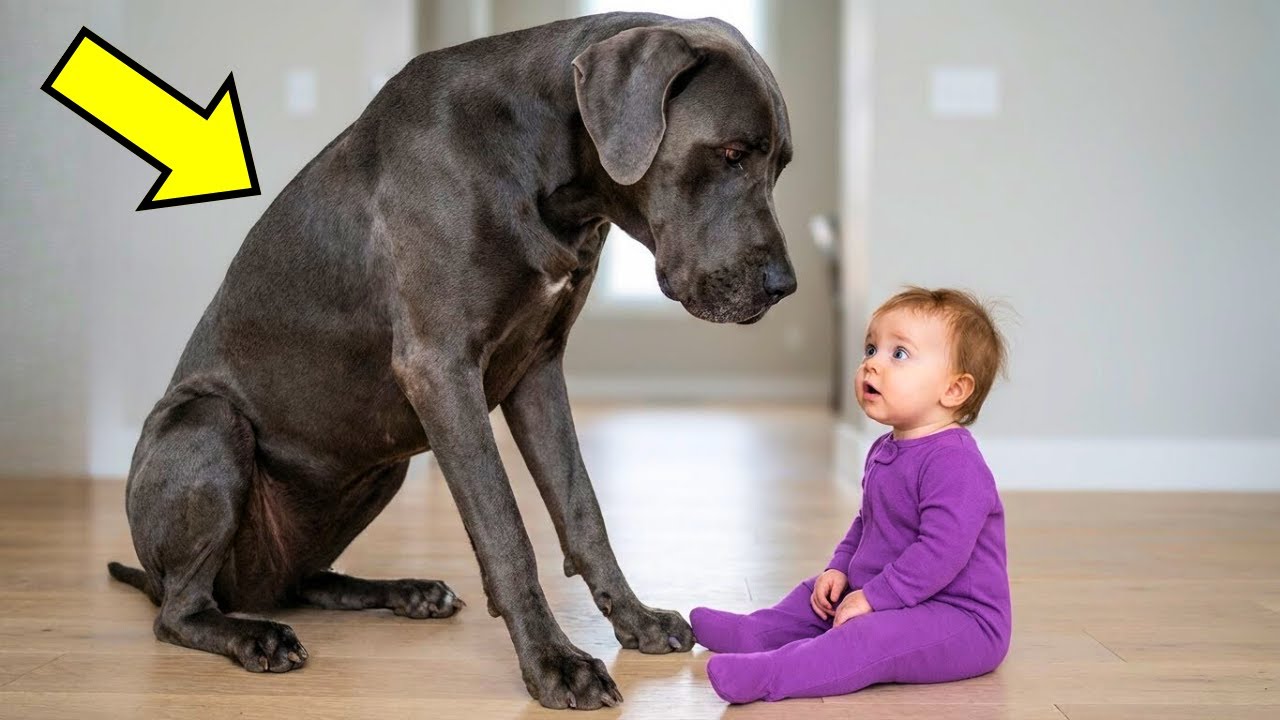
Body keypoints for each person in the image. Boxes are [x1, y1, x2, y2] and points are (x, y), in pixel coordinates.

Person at [690, 286, 1013, 703]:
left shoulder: (956, 463)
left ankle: (774, 674)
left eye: (899, 354)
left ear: (953, 390)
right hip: (895, 591)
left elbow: (942, 552)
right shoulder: (885, 449)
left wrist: (875, 599)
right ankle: (757, 632)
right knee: (818, 596)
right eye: (871, 349)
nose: (872, 365)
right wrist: (839, 568)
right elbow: (868, 522)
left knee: (869, 636)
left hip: (959, 617)